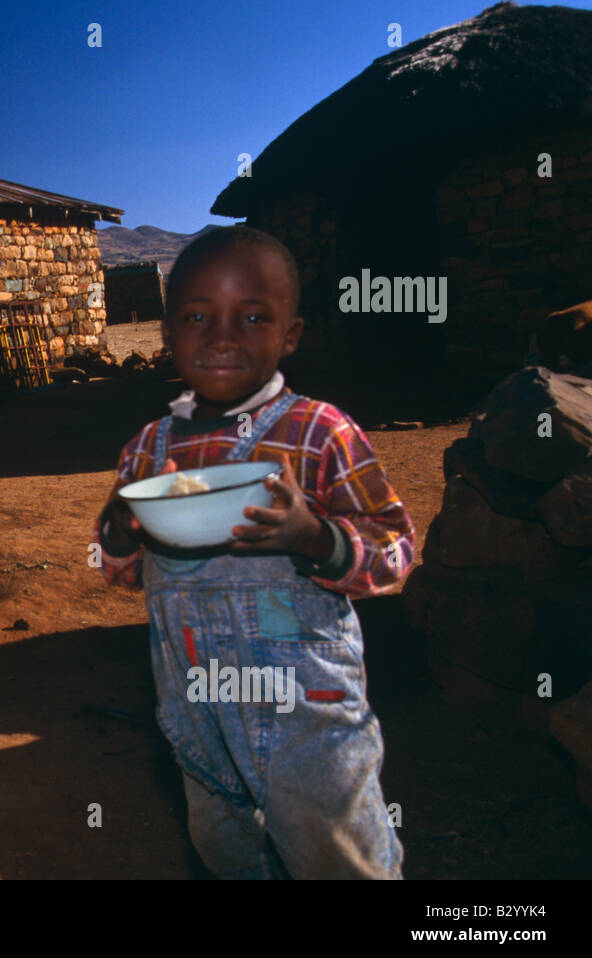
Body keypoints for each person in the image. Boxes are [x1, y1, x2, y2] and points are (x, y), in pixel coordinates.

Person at [94, 226, 414, 879]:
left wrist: (315, 538)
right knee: (227, 851)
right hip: (194, 706)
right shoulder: (148, 450)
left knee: (336, 856)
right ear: (166, 331)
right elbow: (119, 569)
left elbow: (395, 545)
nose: (221, 335)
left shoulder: (321, 432)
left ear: (290, 334)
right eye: (196, 316)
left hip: (309, 719)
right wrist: (121, 532)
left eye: (253, 317)